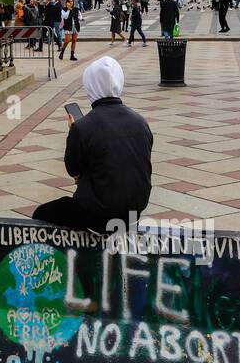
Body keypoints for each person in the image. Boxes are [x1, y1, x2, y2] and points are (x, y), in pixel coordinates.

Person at [32, 57, 153, 232]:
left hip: (98, 214)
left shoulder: (83, 126)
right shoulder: (141, 121)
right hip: (134, 211)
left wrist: (73, 131)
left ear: (90, 85)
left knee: (41, 214)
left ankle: (74, 257)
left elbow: (73, 169)